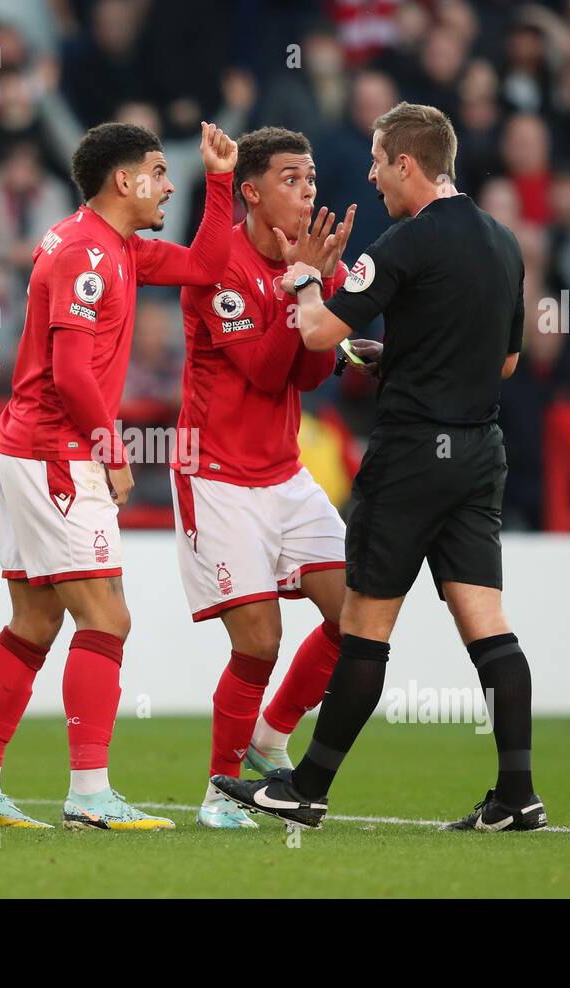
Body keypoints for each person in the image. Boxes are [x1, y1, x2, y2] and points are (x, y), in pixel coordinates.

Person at [213, 101, 547, 833]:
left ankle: (308, 787)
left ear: (406, 163)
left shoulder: (403, 242)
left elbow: (319, 329)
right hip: (478, 453)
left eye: (376, 159)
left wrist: (306, 278)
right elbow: (507, 359)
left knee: (364, 627)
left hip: (409, 458)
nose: (369, 173)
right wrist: (399, 357)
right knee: (488, 625)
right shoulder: (502, 241)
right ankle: (517, 795)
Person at [0, 121, 237, 831]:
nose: (170, 185)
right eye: (160, 172)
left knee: (35, 620)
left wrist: (222, 181)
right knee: (107, 617)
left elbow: (205, 268)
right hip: (56, 451)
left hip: (30, 446)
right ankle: (89, 795)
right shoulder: (89, 254)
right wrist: (111, 447)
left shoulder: (112, 245)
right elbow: (72, 369)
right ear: (123, 181)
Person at [171, 126, 358, 828]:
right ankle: (220, 791)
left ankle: (270, 736)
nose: (306, 190)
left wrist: (316, 282)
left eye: (310, 178)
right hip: (216, 471)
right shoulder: (220, 262)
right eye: (290, 178)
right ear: (250, 191)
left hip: (283, 470)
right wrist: (305, 284)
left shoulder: (311, 261)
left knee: (356, 617)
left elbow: (310, 372)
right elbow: (263, 369)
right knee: (258, 641)